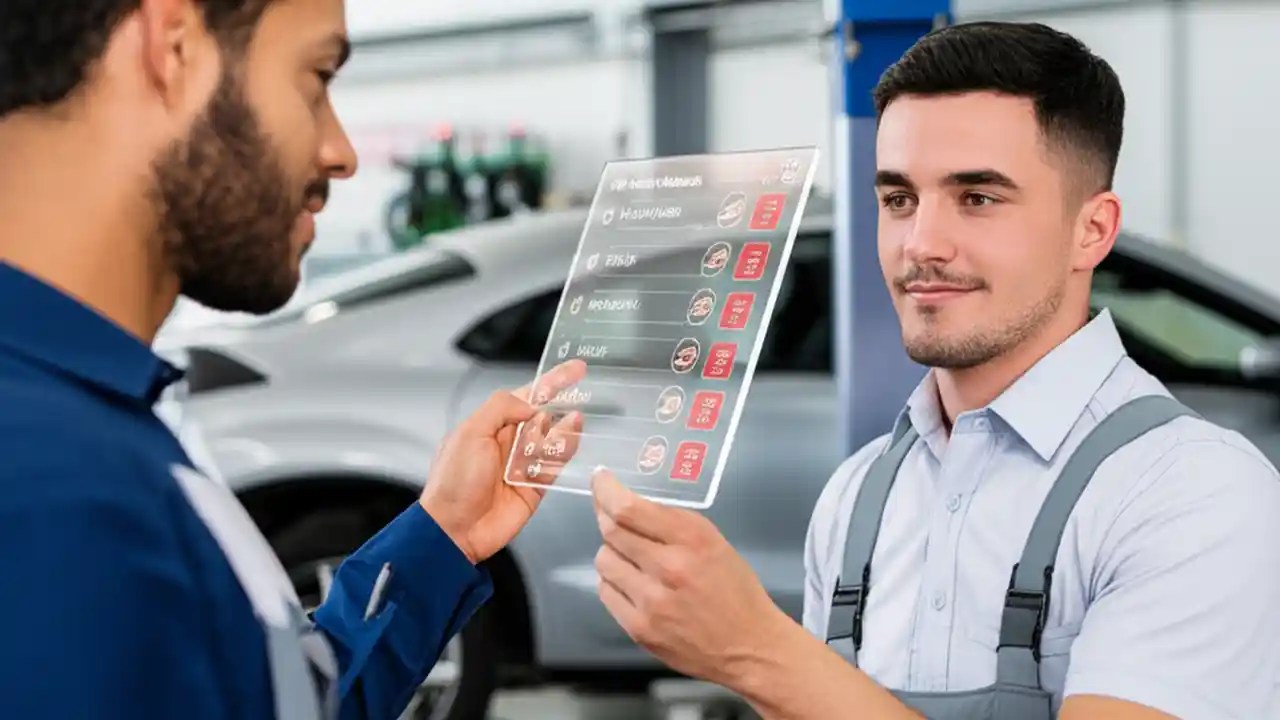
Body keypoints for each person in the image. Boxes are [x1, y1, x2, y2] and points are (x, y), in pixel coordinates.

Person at [589, 21, 1280, 720]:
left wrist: (754, 650)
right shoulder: (856, 500)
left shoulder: (1193, 493)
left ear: (1092, 230)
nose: (921, 243)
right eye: (898, 199)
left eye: (977, 198)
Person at [0, 1, 584, 718]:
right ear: (172, 46)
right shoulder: (57, 496)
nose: (340, 150)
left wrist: (444, 538)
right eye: (316, 77)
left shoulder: (92, 434)